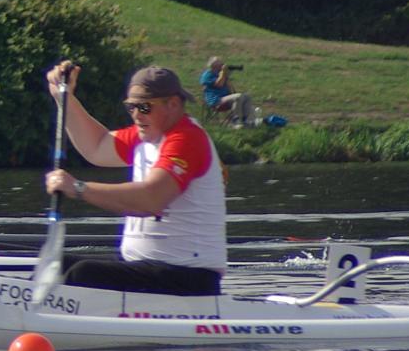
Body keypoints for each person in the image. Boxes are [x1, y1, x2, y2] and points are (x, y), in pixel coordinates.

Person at [42, 62, 226, 295]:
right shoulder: (145, 134)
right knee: (58, 263)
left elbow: (151, 200)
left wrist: (78, 188)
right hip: (149, 269)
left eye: (144, 107)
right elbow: (96, 147)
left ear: (173, 104)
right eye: (131, 107)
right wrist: (63, 97)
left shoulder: (186, 138)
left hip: (190, 277)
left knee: (83, 274)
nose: (136, 115)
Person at [199, 57, 256, 127]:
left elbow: (230, 87)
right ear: (213, 65)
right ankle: (235, 121)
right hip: (216, 100)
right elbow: (219, 84)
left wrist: (226, 75)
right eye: (219, 63)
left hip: (226, 98)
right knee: (238, 97)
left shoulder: (220, 74)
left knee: (247, 96)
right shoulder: (207, 75)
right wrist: (223, 73)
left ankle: (249, 121)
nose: (222, 64)